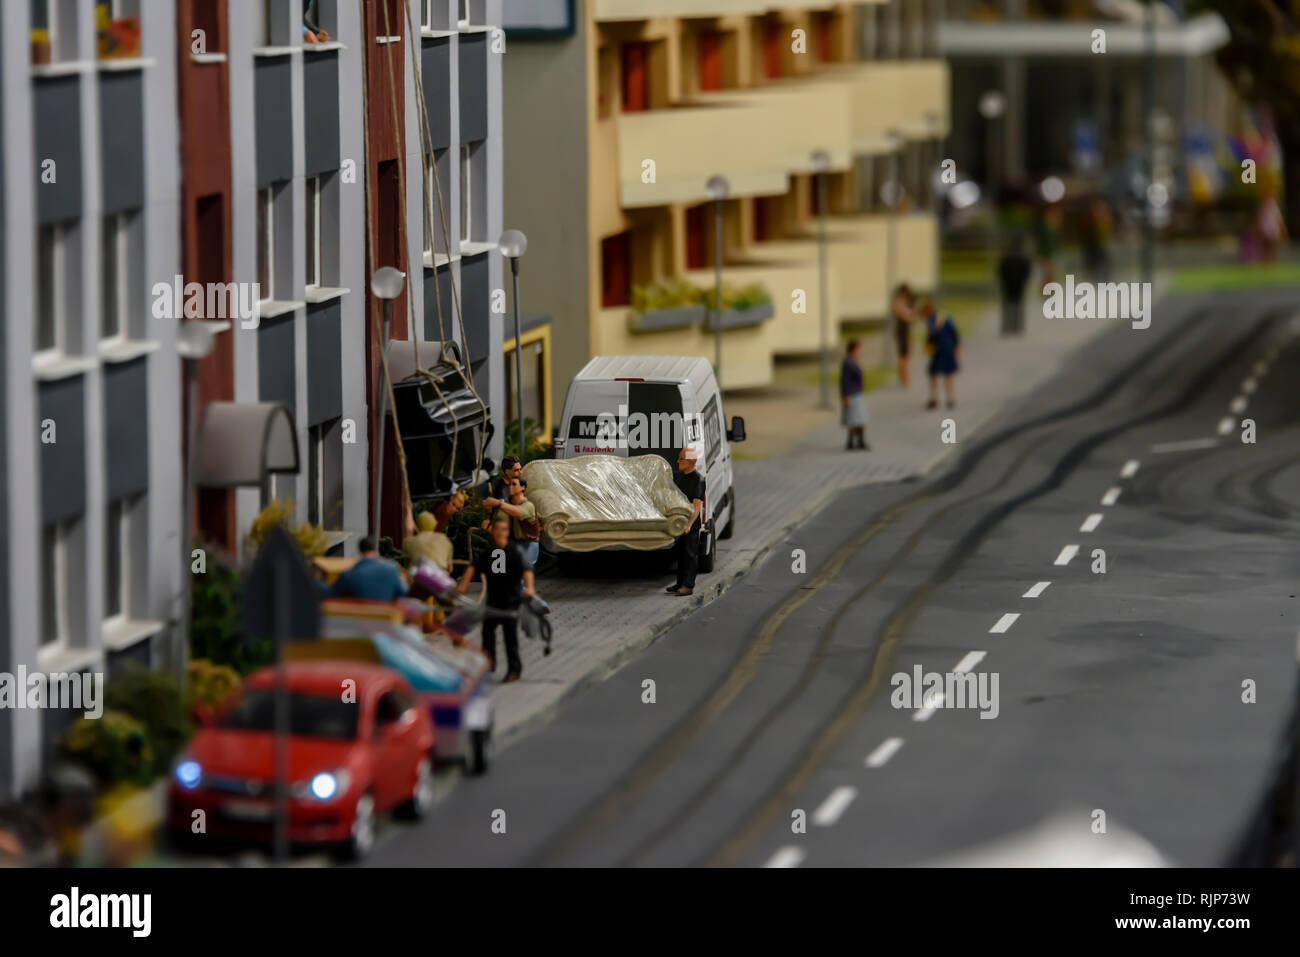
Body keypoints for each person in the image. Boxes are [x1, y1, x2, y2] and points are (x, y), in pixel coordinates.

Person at [457, 516, 534, 682]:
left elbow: (526, 569)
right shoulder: (488, 553)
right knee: (487, 634)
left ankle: (514, 669)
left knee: (510, 637)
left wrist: (530, 589)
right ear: (492, 531)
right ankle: (488, 665)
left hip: (510, 603)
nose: (500, 532)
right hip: (492, 602)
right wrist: (463, 585)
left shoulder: (515, 551)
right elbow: (473, 566)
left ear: (508, 532)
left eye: (504, 529)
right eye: (497, 529)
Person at [666, 447, 706, 597]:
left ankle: (688, 585)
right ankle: (680, 583)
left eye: (681, 459)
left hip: (691, 525)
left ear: (691, 461)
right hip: (679, 523)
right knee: (681, 555)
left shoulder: (698, 480)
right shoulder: (679, 477)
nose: (678, 461)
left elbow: (697, 507)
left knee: (690, 554)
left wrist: (689, 524)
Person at [327, 536, 409, 600]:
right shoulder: (392, 569)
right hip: (386, 618)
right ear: (376, 549)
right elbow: (404, 592)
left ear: (360, 550)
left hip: (358, 619)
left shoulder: (349, 574)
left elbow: (333, 593)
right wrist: (403, 581)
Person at [483, 476, 541, 566]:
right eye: (509, 484)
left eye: (514, 484)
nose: (510, 486)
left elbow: (518, 512)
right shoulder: (507, 508)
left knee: (523, 572)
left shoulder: (528, 505)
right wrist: (489, 527)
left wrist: (497, 503)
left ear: (523, 487)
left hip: (528, 543)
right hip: (513, 543)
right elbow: (501, 529)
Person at [925, 310, 961, 411]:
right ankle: (937, 398)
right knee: (936, 375)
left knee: (945, 375)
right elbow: (930, 337)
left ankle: (947, 398)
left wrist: (956, 347)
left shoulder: (940, 321)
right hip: (940, 351)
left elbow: (954, 335)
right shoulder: (940, 320)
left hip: (944, 351)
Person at [997, 236, 1032, 336]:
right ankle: (1017, 326)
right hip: (1018, 285)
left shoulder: (1006, 258)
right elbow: (1027, 272)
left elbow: (1001, 272)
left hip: (1008, 285)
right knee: (1018, 306)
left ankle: (1008, 326)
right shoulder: (1024, 258)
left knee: (1009, 306)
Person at [840, 339, 870, 451]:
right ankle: (853, 442)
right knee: (855, 419)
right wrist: (845, 395)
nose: (860, 351)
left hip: (857, 393)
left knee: (859, 419)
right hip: (852, 394)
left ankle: (858, 441)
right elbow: (844, 381)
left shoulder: (853, 361)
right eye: (859, 349)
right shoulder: (848, 363)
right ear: (854, 349)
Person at [890, 284, 918, 387]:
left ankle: (904, 379)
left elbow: (909, 313)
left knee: (904, 356)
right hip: (902, 331)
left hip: (904, 330)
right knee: (904, 357)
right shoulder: (898, 302)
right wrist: (911, 316)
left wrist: (912, 313)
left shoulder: (901, 302)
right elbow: (904, 315)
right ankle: (905, 379)